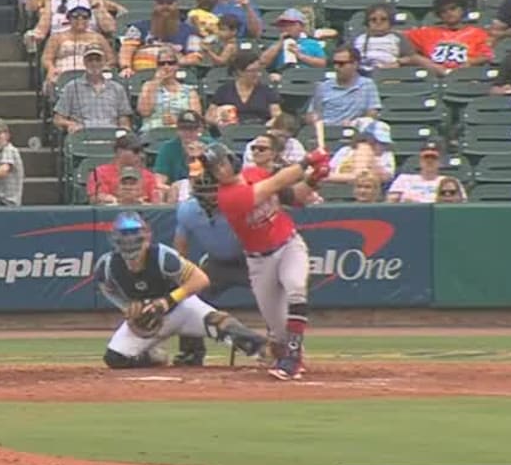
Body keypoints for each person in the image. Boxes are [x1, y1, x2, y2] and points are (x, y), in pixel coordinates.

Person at [202, 142, 332, 381]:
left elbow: (293, 196)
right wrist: (308, 161)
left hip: (289, 245)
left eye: (221, 163)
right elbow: (277, 183)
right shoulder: (227, 197)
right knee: (279, 330)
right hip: (259, 262)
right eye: (214, 168)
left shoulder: (255, 173)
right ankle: (289, 352)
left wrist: (314, 179)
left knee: (296, 288)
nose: (219, 170)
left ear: (231, 160)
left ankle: (292, 360)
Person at [93, 211, 266, 370]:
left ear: (145, 237)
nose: (129, 241)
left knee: (220, 324)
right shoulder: (108, 266)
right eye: (124, 236)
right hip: (147, 320)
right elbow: (107, 289)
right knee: (115, 358)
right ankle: (153, 357)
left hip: (182, 308)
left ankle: (265, 351)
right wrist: (127, 307)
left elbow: (200, 279)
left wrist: (169, 300)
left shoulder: (163, 257)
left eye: (133, 235)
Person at [174, 172, 258, 367]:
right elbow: (181, 244)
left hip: (250, 259)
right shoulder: (187, 210)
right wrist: (183, 274)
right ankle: (190, 352)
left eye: (214, 191)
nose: (211, 198)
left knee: (272, 296)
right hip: (216, 263)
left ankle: (283, 347)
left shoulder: (239, 204)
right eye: (205, 193)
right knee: (188, 297)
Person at [404, 0, 493, 75]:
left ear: (462, 9)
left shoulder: (478, 33)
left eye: (453, 8)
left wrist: (471, 62)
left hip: (465, 74)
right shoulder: (426, 33)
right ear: (439, 15)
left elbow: (486, 56)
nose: (449, 13)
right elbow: (398, 35)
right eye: (443, 11)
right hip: (434, 74)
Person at [119, 0, 202, 73]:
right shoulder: (137, 28)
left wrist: (173, 61)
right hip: (142, 75)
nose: (165, 7)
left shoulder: (191, 31)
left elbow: (196, 56)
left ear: (176, 5)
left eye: (169, 3)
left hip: (175, 75)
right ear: (155, 5)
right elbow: (126, 50)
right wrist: (126, 67)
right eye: (161, 3)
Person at [41, 0, 114, 92]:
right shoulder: (57, 37)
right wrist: (51, 68)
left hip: (93, 73)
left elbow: (111, 59)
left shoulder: (98, 37)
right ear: (69, 18)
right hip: (63, 73)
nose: (80, 19)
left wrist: (102, 68)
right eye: (75, 16)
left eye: (85, 16)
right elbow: (46, 58)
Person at [52, 46, 132, 133]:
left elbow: (124, 120)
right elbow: (58, 119)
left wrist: (124, 130)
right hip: (83, 134)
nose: (94, 63)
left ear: (104, 62)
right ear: (84, 62)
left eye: (98, 60)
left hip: (111, 134)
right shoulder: (72, 87)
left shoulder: (117, 88)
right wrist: (71, 124)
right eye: (90, 60)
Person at [306, 45, 381, 127]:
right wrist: (314, 120)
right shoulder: (323, 87)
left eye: (341, 64)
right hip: (326, 131)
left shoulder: (367, 85)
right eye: (334, 63)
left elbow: (372, 113)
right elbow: (312, 113)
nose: (336, 67)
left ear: (355, 64)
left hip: (353, 132)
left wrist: (357, 123)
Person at [207, 50, 281, 129]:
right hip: (232, 132)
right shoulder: (224, 90)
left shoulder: (267, 91)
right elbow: (209, 116)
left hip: (259, 130)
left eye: (258, 70)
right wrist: (219, 122)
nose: (257, 74)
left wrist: (269, 124)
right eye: (252, 71)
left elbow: (277, 115)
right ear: (240, 72)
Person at [87, 133, 164, 205]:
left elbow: (155, 201)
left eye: (141, 151)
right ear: (119, 151)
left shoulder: (148, 176)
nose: (141, 155)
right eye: (136, 151)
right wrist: (117, 201)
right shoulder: (100, 173)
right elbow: (95, 198)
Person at [138, 53, 202, 131]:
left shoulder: (189, 91)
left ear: (177, 66)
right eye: (162, 64)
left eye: (170, 63)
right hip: (153, 131)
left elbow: (195, 119)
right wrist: (156, 82)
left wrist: (178, 121)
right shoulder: (148, 86)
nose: (166, 67)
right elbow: (144, 112)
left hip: (182, 131)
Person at [153, 109, 214, 188]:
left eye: (192, 129)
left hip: (208, 189)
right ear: (177, 130)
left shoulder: (211, 145)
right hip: (176, 192)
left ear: (200, 129)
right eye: (183, 128)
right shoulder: (168, 148)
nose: (187, 133)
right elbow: (159, 182)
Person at [256, 8, 328, 74]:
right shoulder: (276, 46)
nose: (286, 28)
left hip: (307, 77)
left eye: (291, 25)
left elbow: (322, 64)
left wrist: (300, 56)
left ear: (301, 26)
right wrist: (279, 45)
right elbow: (262, 63)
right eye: (282, 25)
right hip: (283, 78)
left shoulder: (311, 43)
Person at [352, 4, 417, 76]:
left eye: (383, 19)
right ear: (367, 23)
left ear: (390, 22)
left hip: (390, 73)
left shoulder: (397, 38)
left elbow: (412, 58)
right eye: (373, 20)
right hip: (361, 74)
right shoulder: (358, 39)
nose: (378, 23)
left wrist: (398, 63)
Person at [328, 119, 396, 184]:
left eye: (384, 143)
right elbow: (328, 172)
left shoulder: (387, 155)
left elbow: (386, 177)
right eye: (377, 142)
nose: (382, 146)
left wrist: (371, 159)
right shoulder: (345, 151)